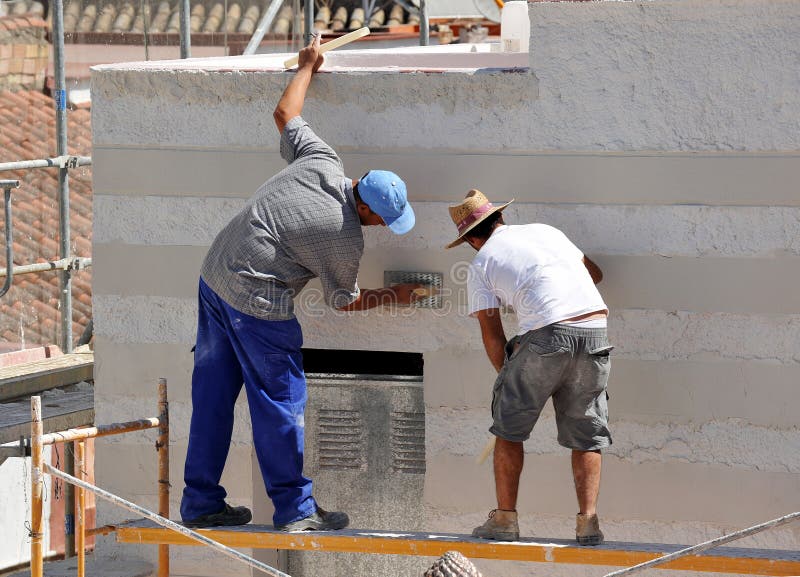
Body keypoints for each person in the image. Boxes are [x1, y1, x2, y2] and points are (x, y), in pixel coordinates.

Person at [180, 34, 422, 532]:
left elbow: (284, 114)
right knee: (280, 404)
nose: (379, 229)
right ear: (366, 207)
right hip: (256, 301)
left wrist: (308, 65)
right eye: (381, 221)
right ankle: (295, 510)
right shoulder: (345, 237)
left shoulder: (322, 162)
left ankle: (200, 502)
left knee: (212, 397)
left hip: (214, 277)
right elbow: (344, 302)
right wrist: (393, 297)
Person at [446, 189, 612, 545]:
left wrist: (508, 377)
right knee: (586, 432)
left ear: (471, 239)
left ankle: (505, 520)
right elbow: (594, 274)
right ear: (500, 218)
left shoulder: (481, 262)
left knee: (509, 428)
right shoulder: (547, 231)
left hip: (547, 337)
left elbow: (492, 336)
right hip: (596, 330)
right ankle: (589, 523)